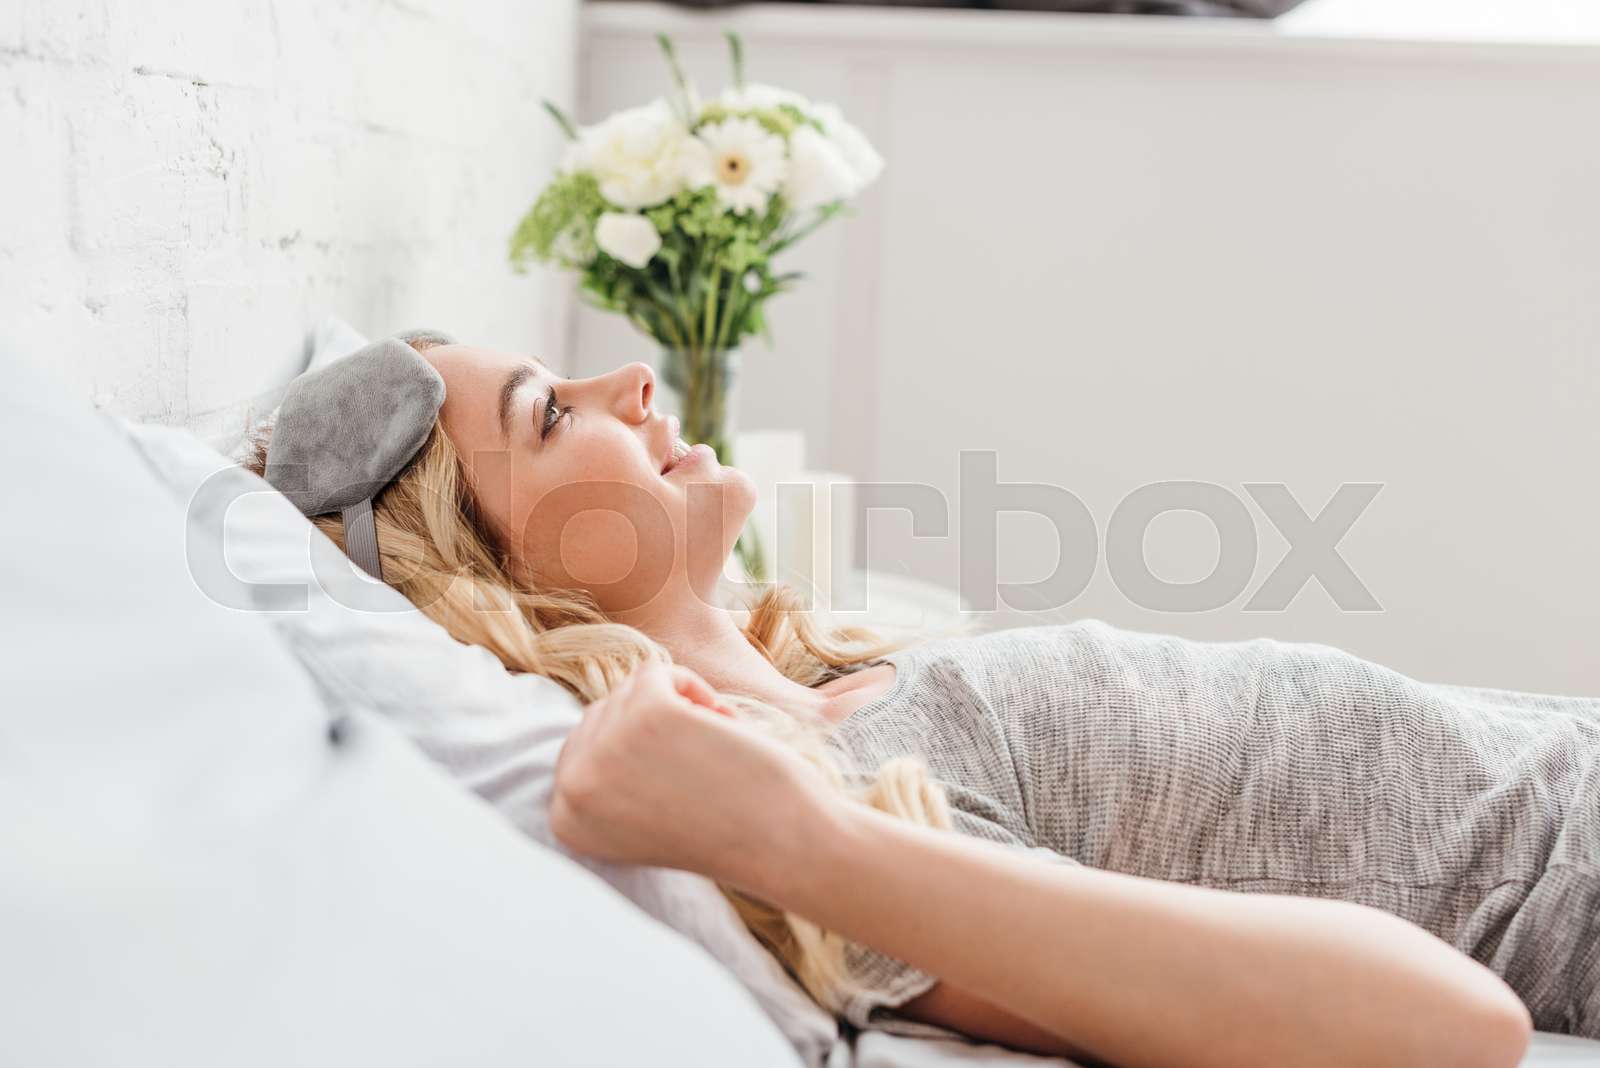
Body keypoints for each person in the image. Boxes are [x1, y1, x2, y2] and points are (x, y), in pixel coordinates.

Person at [245, 334, 1573, 1068]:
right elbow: (1450, 1030)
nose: (629, 379)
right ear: (503, 581)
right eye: (548, 415)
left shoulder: (840, 686)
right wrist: (803, 846)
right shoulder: (827, 818)